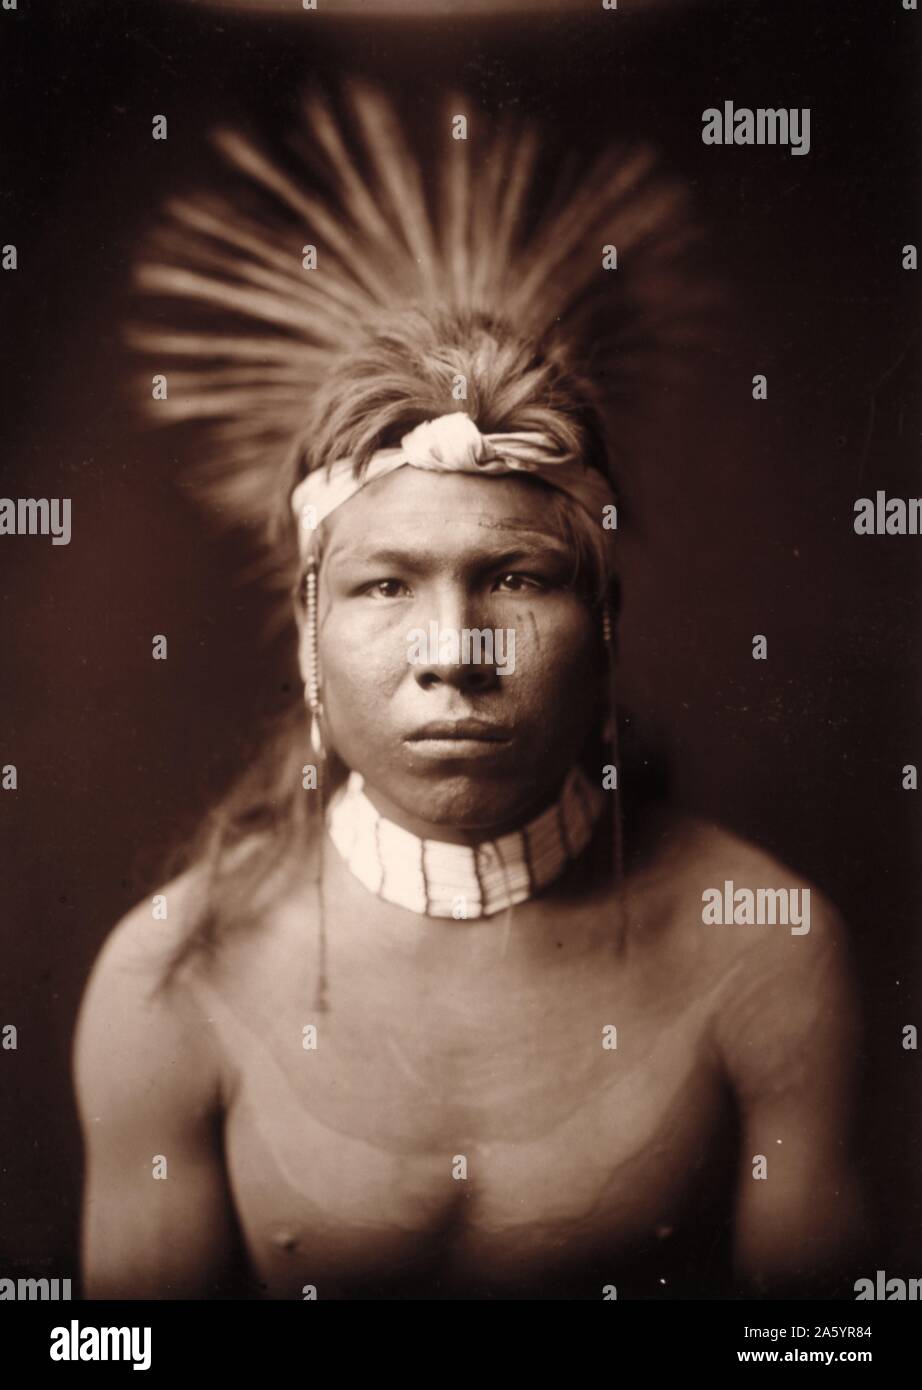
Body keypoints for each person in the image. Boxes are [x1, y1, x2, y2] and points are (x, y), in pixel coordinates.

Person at [73, 83, 867, 1300]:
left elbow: (833, 1345)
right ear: (307, 626)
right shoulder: (170, 980)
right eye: (386, 586)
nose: (455, 649)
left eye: (513, 577)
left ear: (602, 624)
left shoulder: (767, 952)